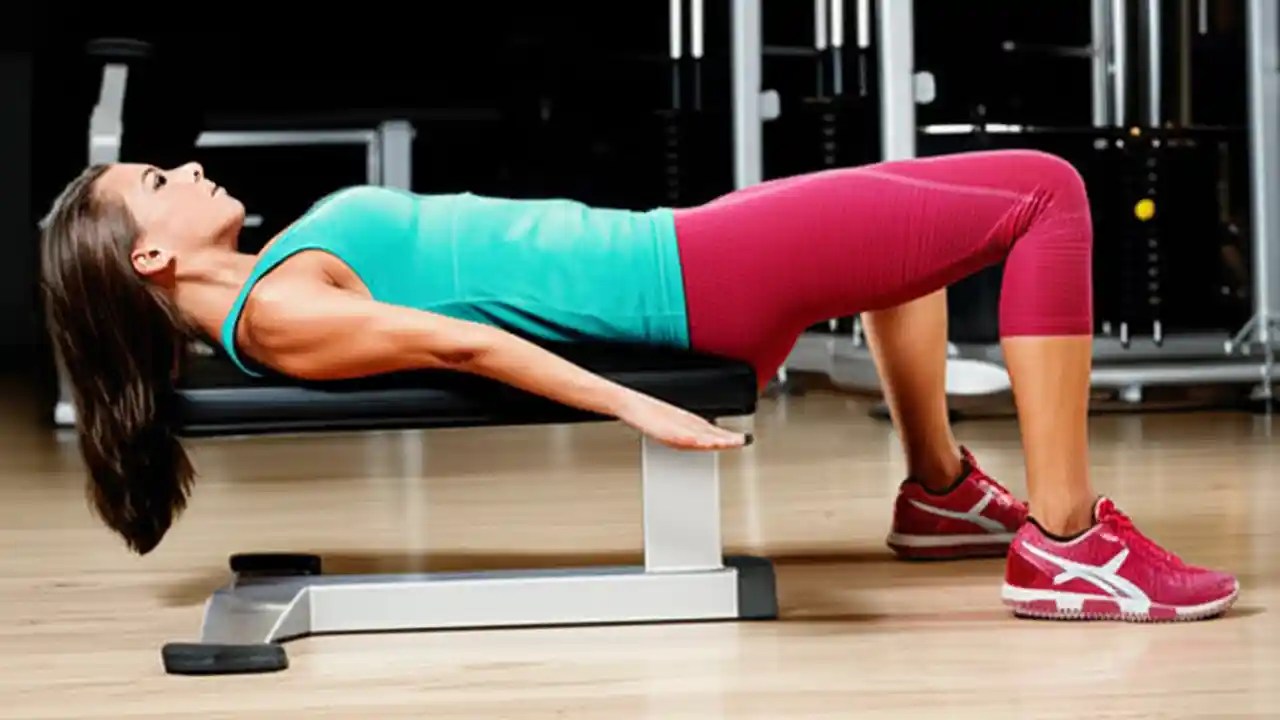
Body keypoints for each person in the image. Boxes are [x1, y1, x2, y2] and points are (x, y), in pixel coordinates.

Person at [40, 149, 1238, 622]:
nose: (186, 169)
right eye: (156, 180)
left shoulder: (274, 275)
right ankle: (1068, 541)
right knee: (1048, 201)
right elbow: (460, 348)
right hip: (693, 281)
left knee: (965, 212)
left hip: (686, 250)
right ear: (149, 256)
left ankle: (936, 492)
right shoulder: (284, 310)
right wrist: (629, 404)